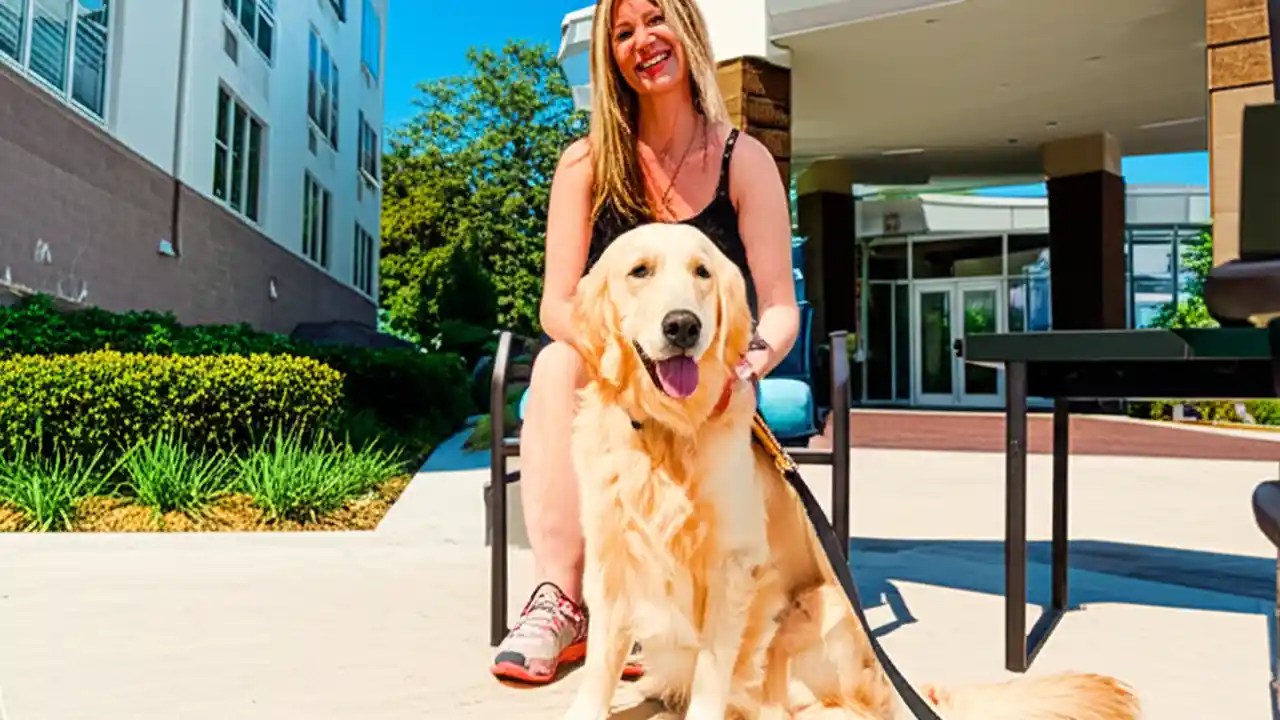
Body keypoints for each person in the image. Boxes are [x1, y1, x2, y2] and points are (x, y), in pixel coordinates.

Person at [490, 0, 799, 685]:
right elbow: (557, 302)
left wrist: (745, 365)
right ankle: (562, 602)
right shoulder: (586, 164)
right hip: (617, 376)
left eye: (655, 20)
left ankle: (654, 616)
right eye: (623, 32)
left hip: (709, 382)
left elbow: (779, 307)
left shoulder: (742, 160)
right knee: (553, 363)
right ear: (609, 56)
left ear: (686, 28)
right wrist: (614, 360)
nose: (642, 42)